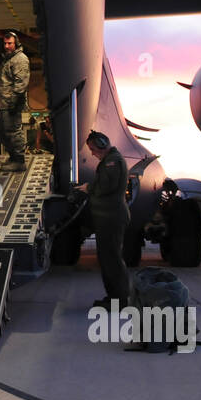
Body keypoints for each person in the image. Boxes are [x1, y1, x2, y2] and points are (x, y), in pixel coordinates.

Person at [85, 130, 132, 308]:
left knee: (112, 259)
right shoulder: (110, 160)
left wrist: (88, 188)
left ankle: (119, 301)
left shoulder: (112, 162)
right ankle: (114, 297)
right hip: (107, 218)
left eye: (93, 148)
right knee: (107, 259)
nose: (92, 153)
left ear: (102, 144)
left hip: (112, 218)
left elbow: (106, 186)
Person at [0, 29, 30, 171]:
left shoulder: (20, 59)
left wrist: (13, 103)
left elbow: (21, 83)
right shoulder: (9, 59)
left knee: (13, 132)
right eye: (5, 43)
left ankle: (19, 161)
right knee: (2, 131)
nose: (7, 46)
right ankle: (13, 157)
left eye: (10, 43)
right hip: (4, 102)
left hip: (12, 103)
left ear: (16, 43)